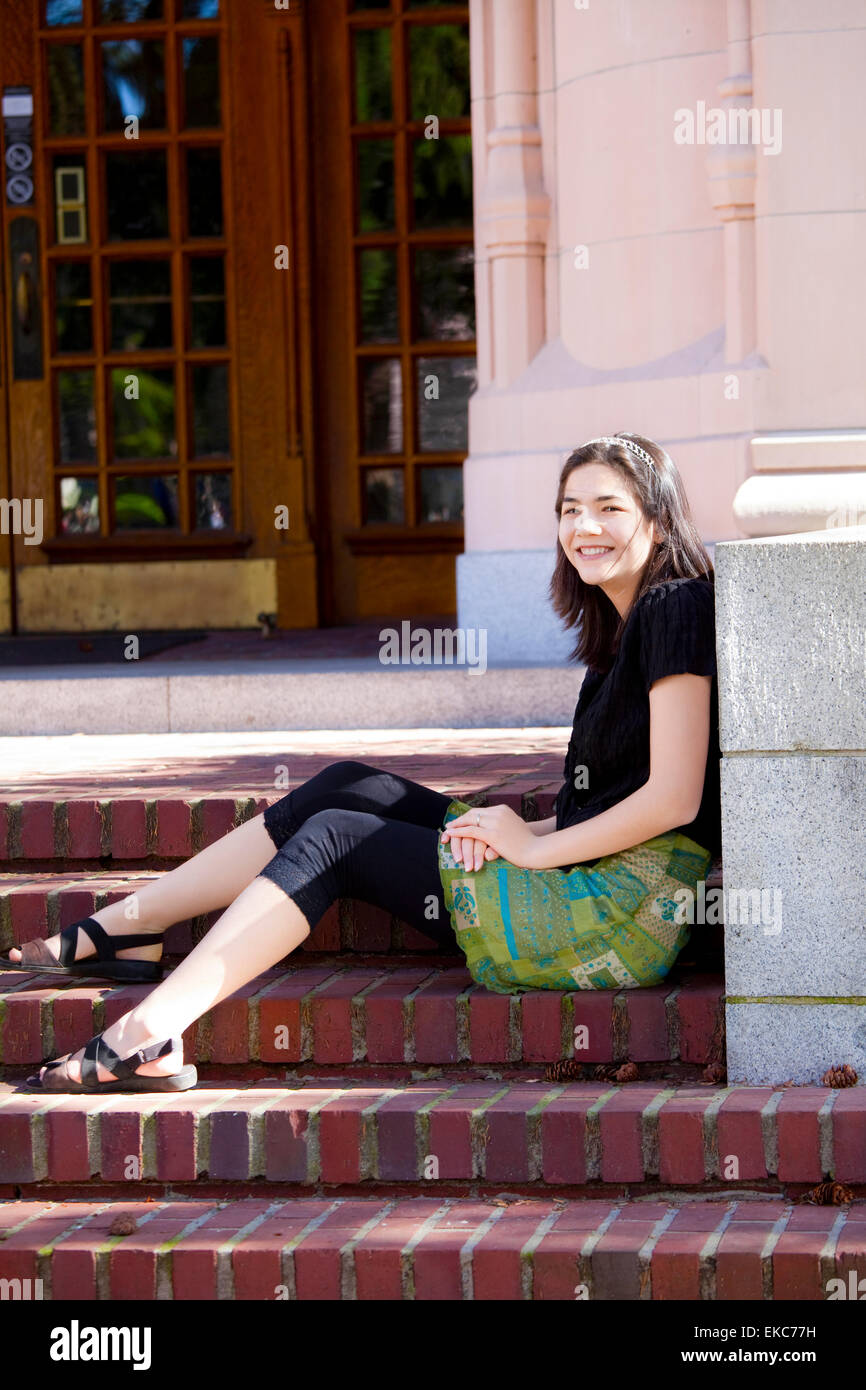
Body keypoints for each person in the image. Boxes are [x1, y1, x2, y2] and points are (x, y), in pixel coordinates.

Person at [9, 431, 720, 1092]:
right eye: (569, 510)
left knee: (339, 839)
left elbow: (674, 801)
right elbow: (622, 797)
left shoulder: (674, 607)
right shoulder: (623, 627)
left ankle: (148, 1032)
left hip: (617, 915)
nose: (583, 528)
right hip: (584, 877)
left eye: (608, 509)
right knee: (353, 786)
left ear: (657, 520)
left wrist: (532, 852)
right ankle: (131, 924)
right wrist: (524, 833)